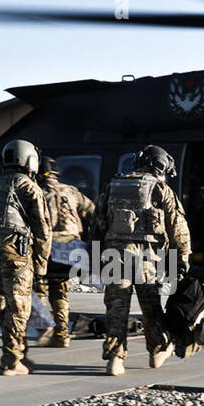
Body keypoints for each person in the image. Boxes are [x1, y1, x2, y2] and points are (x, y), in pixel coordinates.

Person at [95, 143, 190, 376]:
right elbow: (177, 227)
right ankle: (157, 351)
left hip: (114, 255)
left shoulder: (113, 184)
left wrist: (96, 255)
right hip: (147, 257)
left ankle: (115, 360)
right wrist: (183, 257)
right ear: (160, 167)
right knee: (151, 307)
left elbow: (98, 223)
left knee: (116, 309)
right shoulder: (160, 189)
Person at [0, 139, 50, 376]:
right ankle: (11, 360)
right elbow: (42, 228)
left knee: (6, 302)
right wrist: (41, 266)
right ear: (31, 160)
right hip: (13, 249)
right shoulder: (29, 186)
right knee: (19, 306)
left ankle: (15, 352)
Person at [35, 156, 96, 347]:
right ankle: (62, 335)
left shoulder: (35, 192)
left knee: (38, 291)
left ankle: (44, 325)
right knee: (60, 292)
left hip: (45, 249)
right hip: (70, 250)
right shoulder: (72, 191)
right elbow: (93, 211)